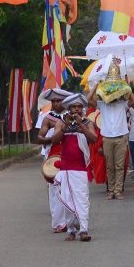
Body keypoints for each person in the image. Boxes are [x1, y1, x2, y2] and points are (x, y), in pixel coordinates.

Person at [52, 93, 98, 241]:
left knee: (82, 200)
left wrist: (81, 126)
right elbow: (54, 140)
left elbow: (94, 139)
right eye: (73, 107)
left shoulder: (88, 123)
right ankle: (71, 230)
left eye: (79, 106)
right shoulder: (61, 123)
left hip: (80, 168)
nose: (77, 109)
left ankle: (83, 230)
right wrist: (65, 126)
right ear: (69, 108)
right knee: (67, 200)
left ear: (82, 108)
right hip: (65, 168)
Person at [35, 88, 72, 233]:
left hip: (71, 155)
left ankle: (72, 221)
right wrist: (52, 139)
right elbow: (39, 137)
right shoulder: (48, 118)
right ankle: (59, 223)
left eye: (58, 101)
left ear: (65, 101)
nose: (55, 104)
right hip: (54, 157)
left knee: (70, 189)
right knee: (55, 190)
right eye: (53, 101)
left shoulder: (73, 116)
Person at [89, 79, 130, 200]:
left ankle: (118, 191)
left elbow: (133, 100)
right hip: (107, 138)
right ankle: (111, 190)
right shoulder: (102, 105)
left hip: (121, 138)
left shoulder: (123, 104)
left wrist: (124, 85)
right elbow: (88, 99)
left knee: (120, 166)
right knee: (109, 166)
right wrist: (97, 85)